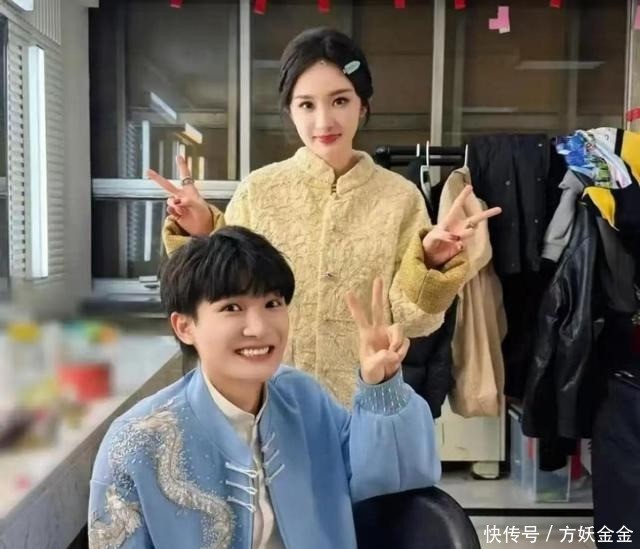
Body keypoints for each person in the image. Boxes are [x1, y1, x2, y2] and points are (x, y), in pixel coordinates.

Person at [150, 27, 501, 406]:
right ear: (290, 110)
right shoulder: (259, 191)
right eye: (307, 105)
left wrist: (429, 264)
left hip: (363, 401)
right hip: (267, 400)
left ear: (362, 105)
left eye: (340, 100)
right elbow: (222, 299)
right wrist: (202, 233)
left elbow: (414, 322)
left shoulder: (400, 198)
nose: (324, 121)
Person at [89, 226, 441, 549]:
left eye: (272, 304)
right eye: (232, 308)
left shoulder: (304, 400)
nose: (259, 328)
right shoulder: (137, 441)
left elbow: (391, 479)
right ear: (185, 327)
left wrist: (381, 387)